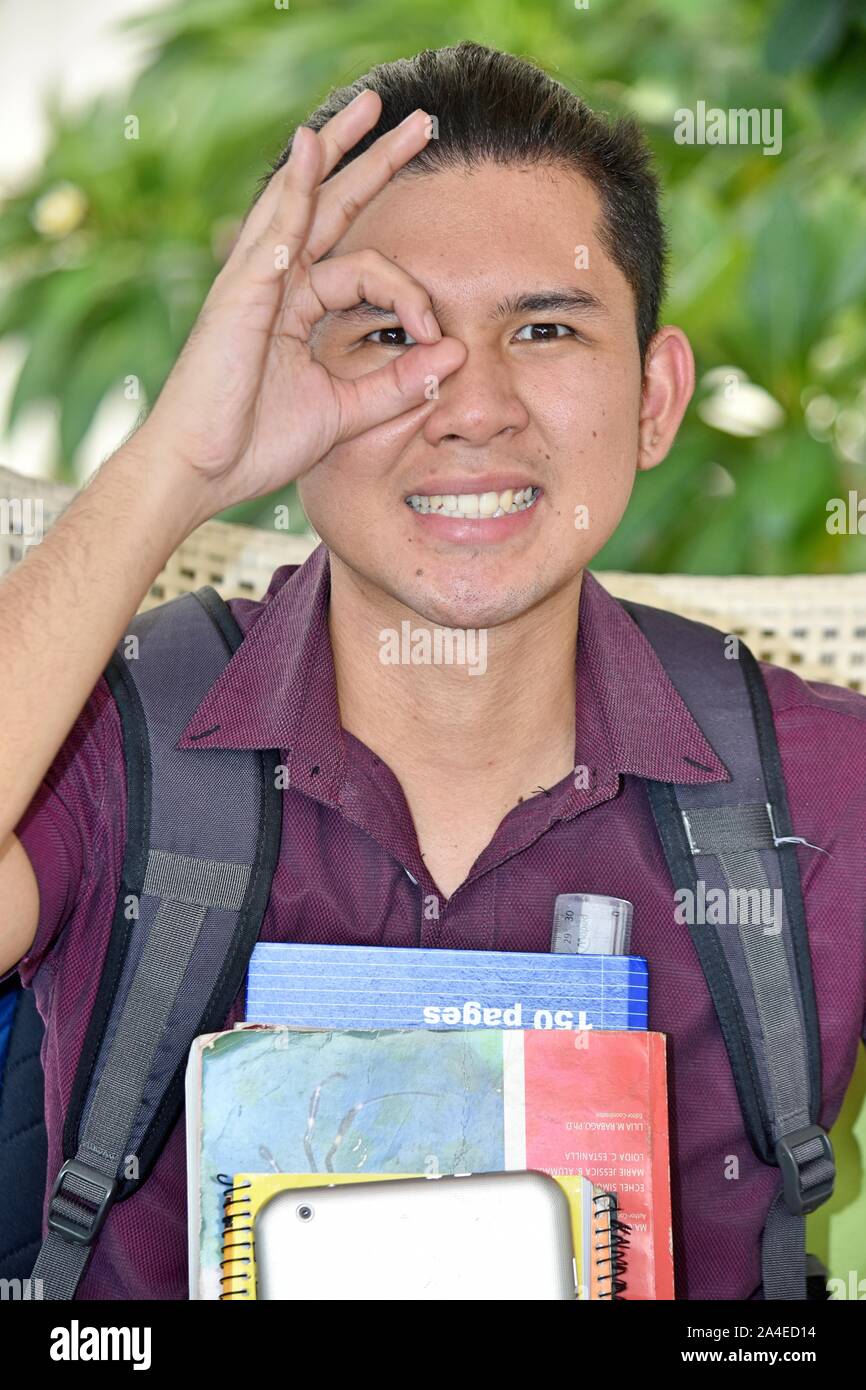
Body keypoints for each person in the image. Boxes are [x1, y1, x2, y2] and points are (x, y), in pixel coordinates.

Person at [0, 42, 863, 1301]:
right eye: (390, 333)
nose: (471, 405)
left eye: (546, 325)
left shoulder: (823, 786)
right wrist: (174, 464)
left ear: (652, 397)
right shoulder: (104, 730)